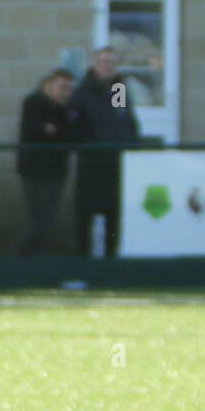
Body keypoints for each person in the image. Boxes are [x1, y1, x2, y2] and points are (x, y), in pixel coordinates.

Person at [69, 47, 140, 259]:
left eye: (111, 62)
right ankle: (83, 262)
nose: (107, 65)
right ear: (94, 63)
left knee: (113, 215)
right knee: (85, 215)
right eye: (103, 61)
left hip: (115, 164)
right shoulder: (83, 91)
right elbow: (75, 127)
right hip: (91, 164)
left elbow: (124, 120)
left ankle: (110, 261)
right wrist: (89, 145)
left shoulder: (118, 89)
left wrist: (130, 144)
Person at [16, 69, 75, 256]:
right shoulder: (34, 103)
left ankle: (37, 260)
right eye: (62, 86)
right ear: (49, 85)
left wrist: (54, 131)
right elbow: (36, 132)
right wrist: (52, 131)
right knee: (37, 220)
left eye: (69, 88)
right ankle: (23, 261)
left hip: (56, 171)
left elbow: (69, 136)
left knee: (49, 220)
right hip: (35, 172)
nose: (66, 92)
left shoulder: (68, 109)